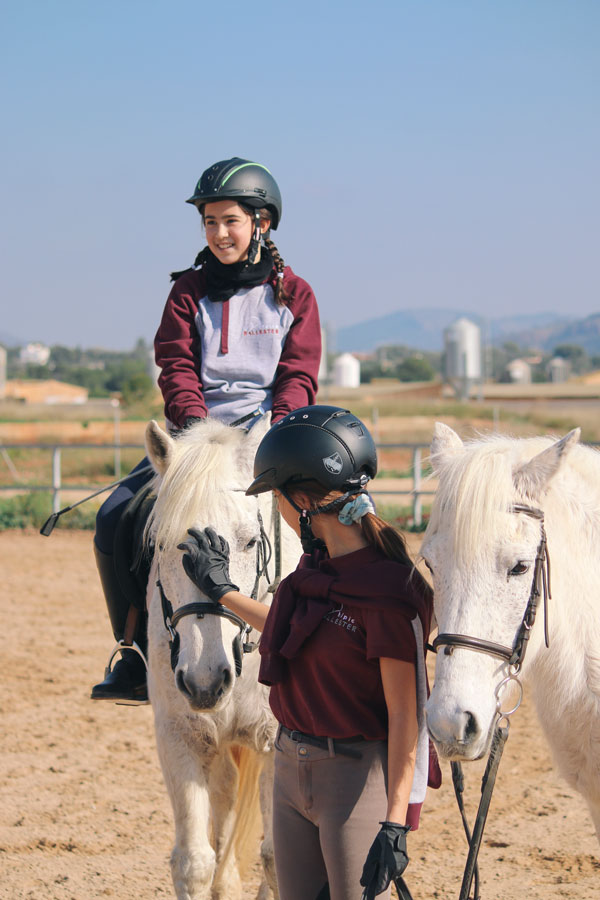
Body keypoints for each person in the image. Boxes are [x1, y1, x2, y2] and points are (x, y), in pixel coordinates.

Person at [178, 405, 440, 900]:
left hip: (354, 778)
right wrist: (221, 591)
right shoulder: (312, 573)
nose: (274, 509)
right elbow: (287, 624)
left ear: (301, 502)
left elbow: (407, 714)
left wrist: (395, 822)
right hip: (289, 766)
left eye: (275, 497)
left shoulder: (386, 592)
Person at [91, 158, 321, 703]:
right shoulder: (186, 292)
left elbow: (299, 372)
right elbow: (174, 365)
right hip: (195, 439)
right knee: (114, 517)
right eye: (210, 222)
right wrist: (196, 431)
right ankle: (132, 653)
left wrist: (278, 427)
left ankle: (332, 644)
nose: (219, 233)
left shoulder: (296, 294)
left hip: (269, 436)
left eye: (230, 221)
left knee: (342, 518)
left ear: (261, 223)